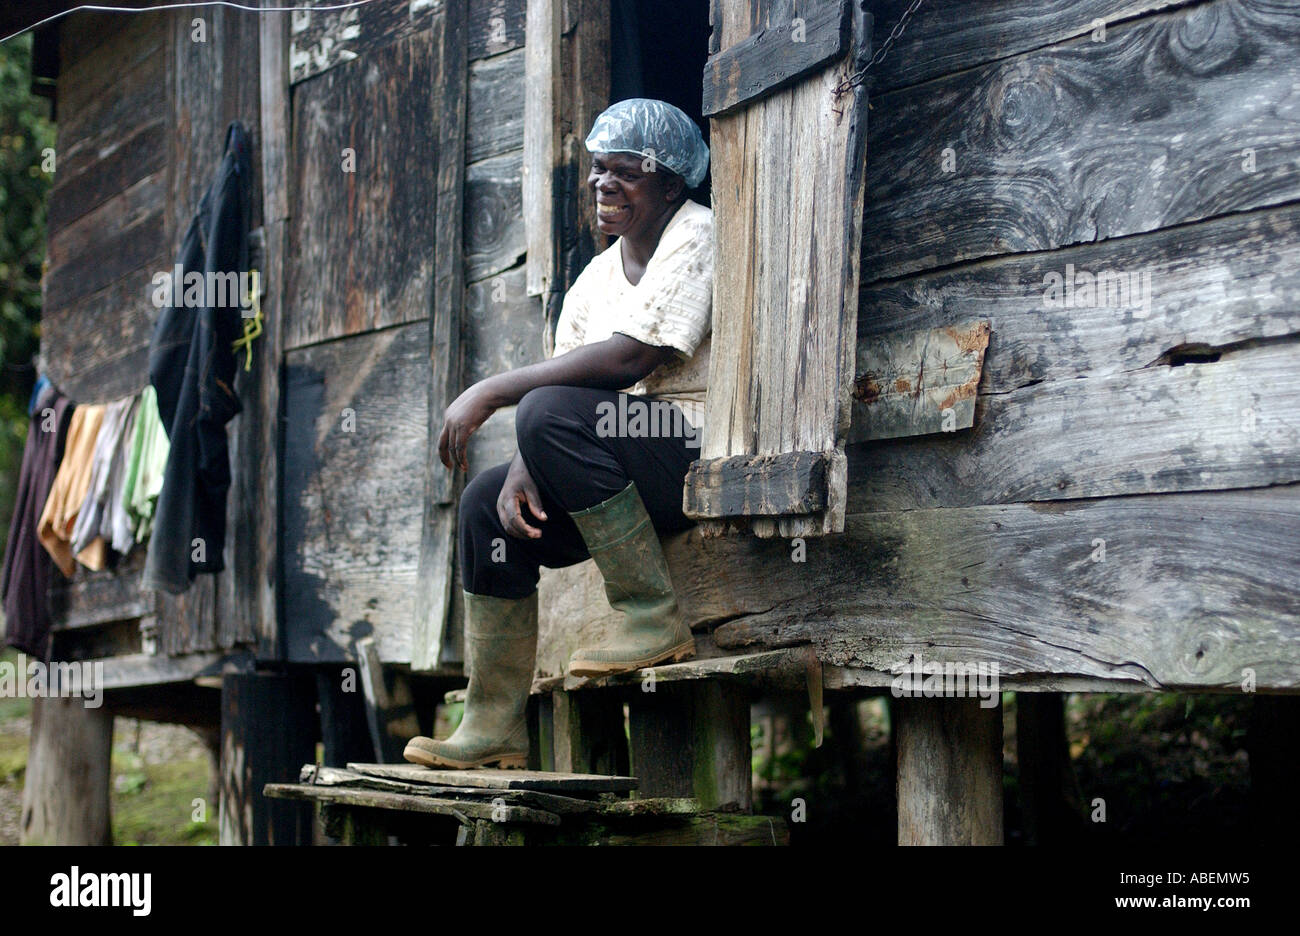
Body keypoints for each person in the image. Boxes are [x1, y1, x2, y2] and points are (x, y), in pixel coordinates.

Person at [404, 99, 714, 769]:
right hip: (618, 468)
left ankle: (652, 615)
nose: (605, 185)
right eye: (599, 171)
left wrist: (491, 391)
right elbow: (563, 404)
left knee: (545, 409)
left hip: (691, 454)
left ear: (670, 184)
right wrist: (526, 464)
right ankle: (493, 724)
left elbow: (630, 361)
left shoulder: (697, 234)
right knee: (487, 503)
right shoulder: (595, 279)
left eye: (627, 173)